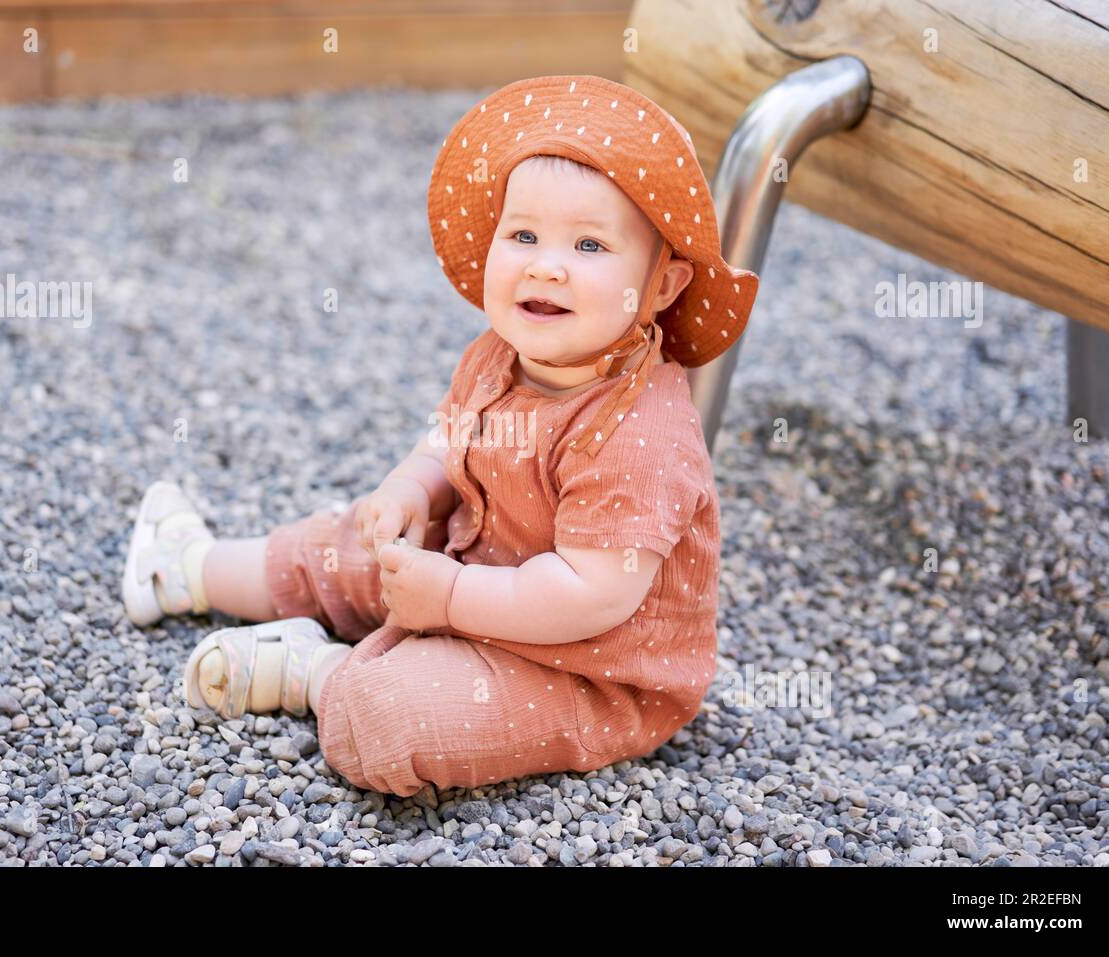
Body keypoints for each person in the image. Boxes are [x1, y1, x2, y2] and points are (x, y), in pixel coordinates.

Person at [121, 74, 759, 798]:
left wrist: (452, 598)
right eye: (523, 235)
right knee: (351, 543)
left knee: (393, 719)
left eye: (588, 244)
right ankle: (191, 565)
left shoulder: (641, 434)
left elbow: (589, 595)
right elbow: (449, 436)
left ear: (662, 285)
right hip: (471, 556)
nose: (545, 263)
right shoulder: (498, 354)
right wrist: (409, 487)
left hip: (584, 667)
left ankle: (315, 670)